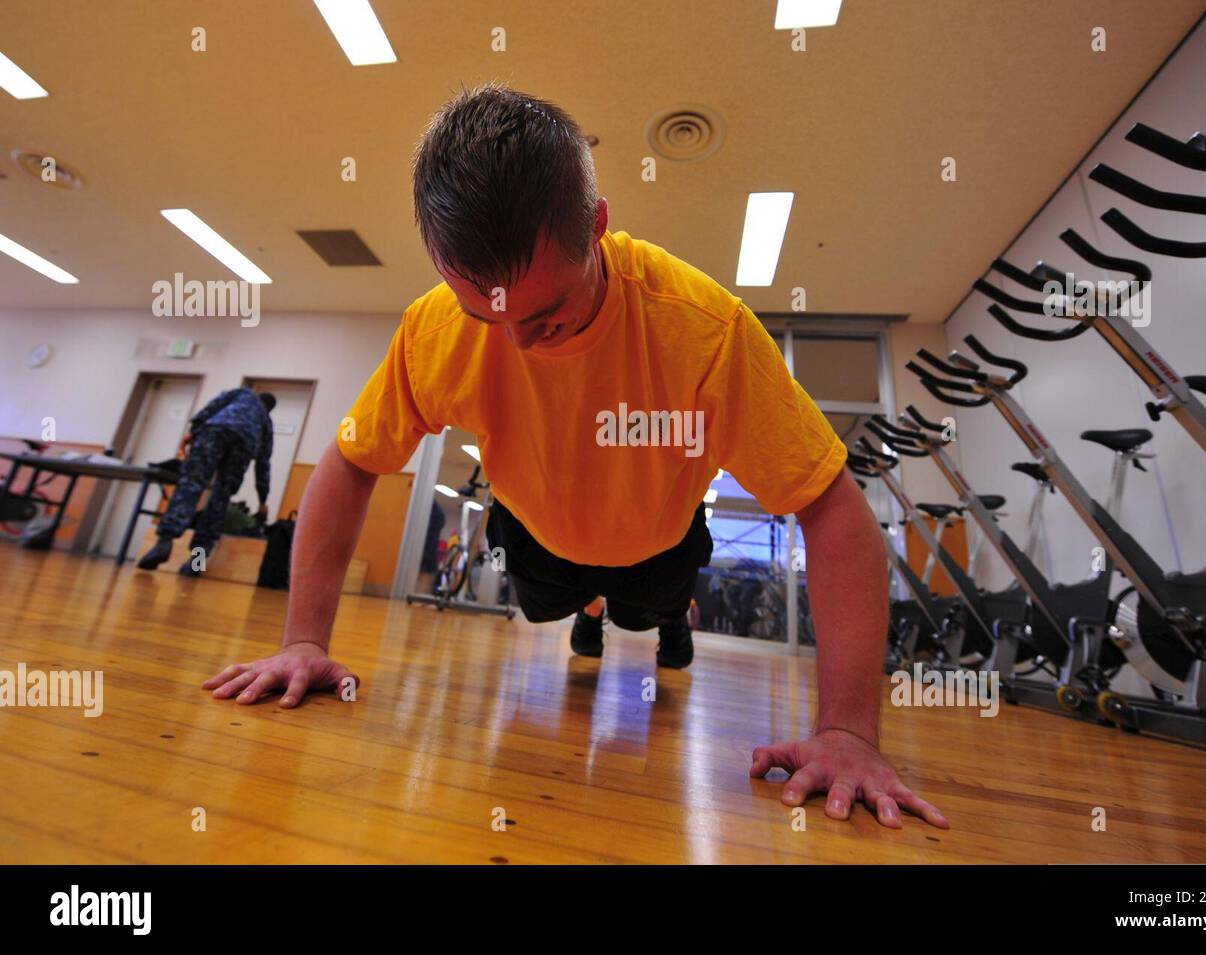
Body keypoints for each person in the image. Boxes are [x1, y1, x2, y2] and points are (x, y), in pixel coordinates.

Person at [201, 85, 946, 829]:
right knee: (552, 605)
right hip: (537, 536)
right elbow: (354, 460)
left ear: (596, 227)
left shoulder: (704, 331)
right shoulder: (433, 331)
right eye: (481, 315)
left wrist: (848, 730)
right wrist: (303, 639)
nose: (517, 344)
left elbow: (830, 503)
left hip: (659, 541)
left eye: (543, 316)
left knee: (649, 611)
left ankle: (665, 622)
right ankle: (589, 608)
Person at [138, 388, 276, 576]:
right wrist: (262, 500)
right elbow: (263, 465)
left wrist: (194, 431)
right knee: (220, 500)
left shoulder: (241, 394)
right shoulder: (265, 423)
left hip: (215, 430)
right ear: (269, 410)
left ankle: (164, 543)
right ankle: (196, 564)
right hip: (245, 443)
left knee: (190, 485)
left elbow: (211, 407)